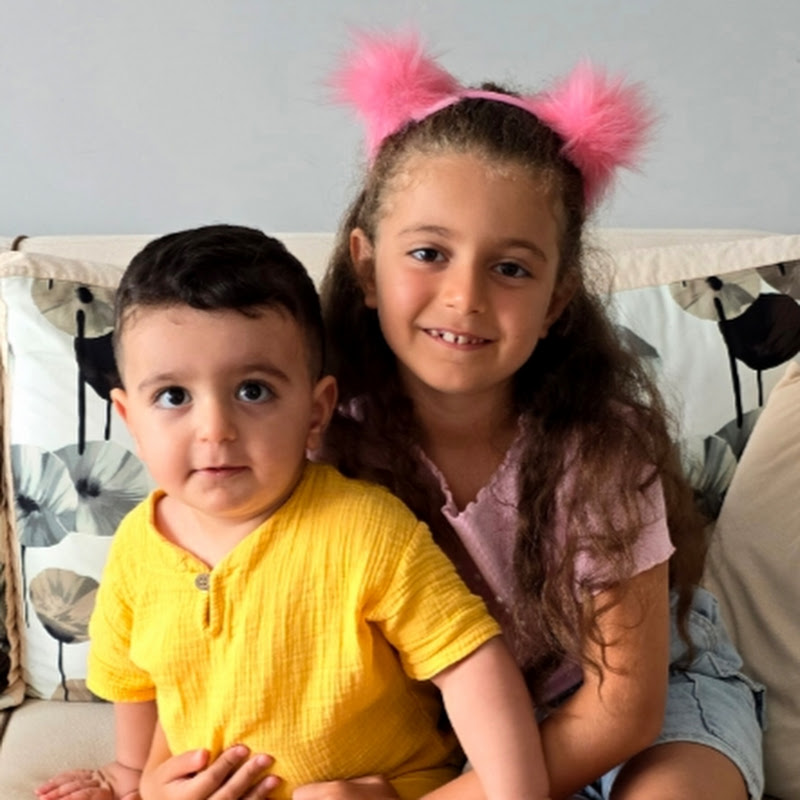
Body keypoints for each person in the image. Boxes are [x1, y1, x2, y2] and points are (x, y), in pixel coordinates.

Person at [294, 32, 763, 800]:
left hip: (642, 704)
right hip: (459, 724)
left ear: (555, 301)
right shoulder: (323, 434)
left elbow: (621, 711)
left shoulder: (598, 447)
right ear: (366, 265)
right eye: (428, 253)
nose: (465, 297)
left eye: (510, 268)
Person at [36, 224, 550, 800]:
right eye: (174, 396)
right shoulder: (137, 545)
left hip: (379, 788)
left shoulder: (366, 529)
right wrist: (134, 776)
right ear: (131, 419)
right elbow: (136, 681)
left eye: (252, 391)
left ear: (316, 411)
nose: (215, 430)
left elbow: (470, 662)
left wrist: (513, 792)